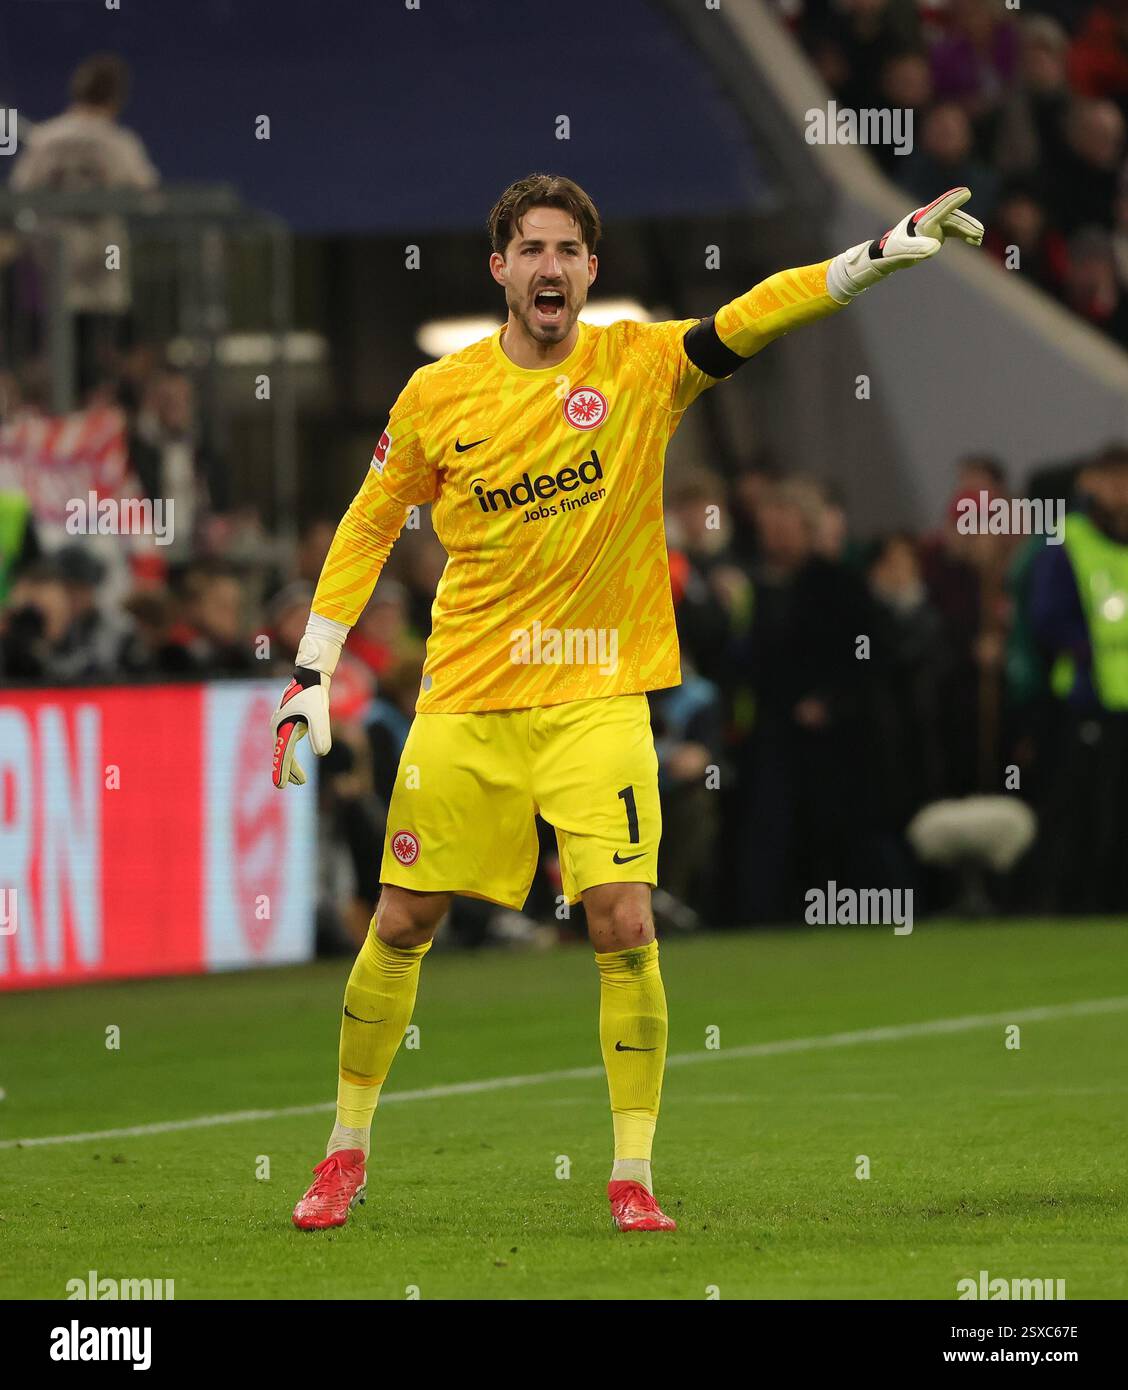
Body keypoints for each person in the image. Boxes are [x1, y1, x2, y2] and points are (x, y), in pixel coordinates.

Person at [269, 173, 983, 1234]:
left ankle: (632, 1171)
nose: (550, 266)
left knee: (624, 920)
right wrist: (314, 668)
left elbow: (756, 312)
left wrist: (873, 255)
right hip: (468, 695)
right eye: (531, 249)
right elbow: (370, 523)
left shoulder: (638, 365)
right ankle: (342, 1154)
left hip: (600, 692)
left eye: (568, 250)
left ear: (590, 270)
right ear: (500, 268)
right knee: (405, 918)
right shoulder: (437, 394)